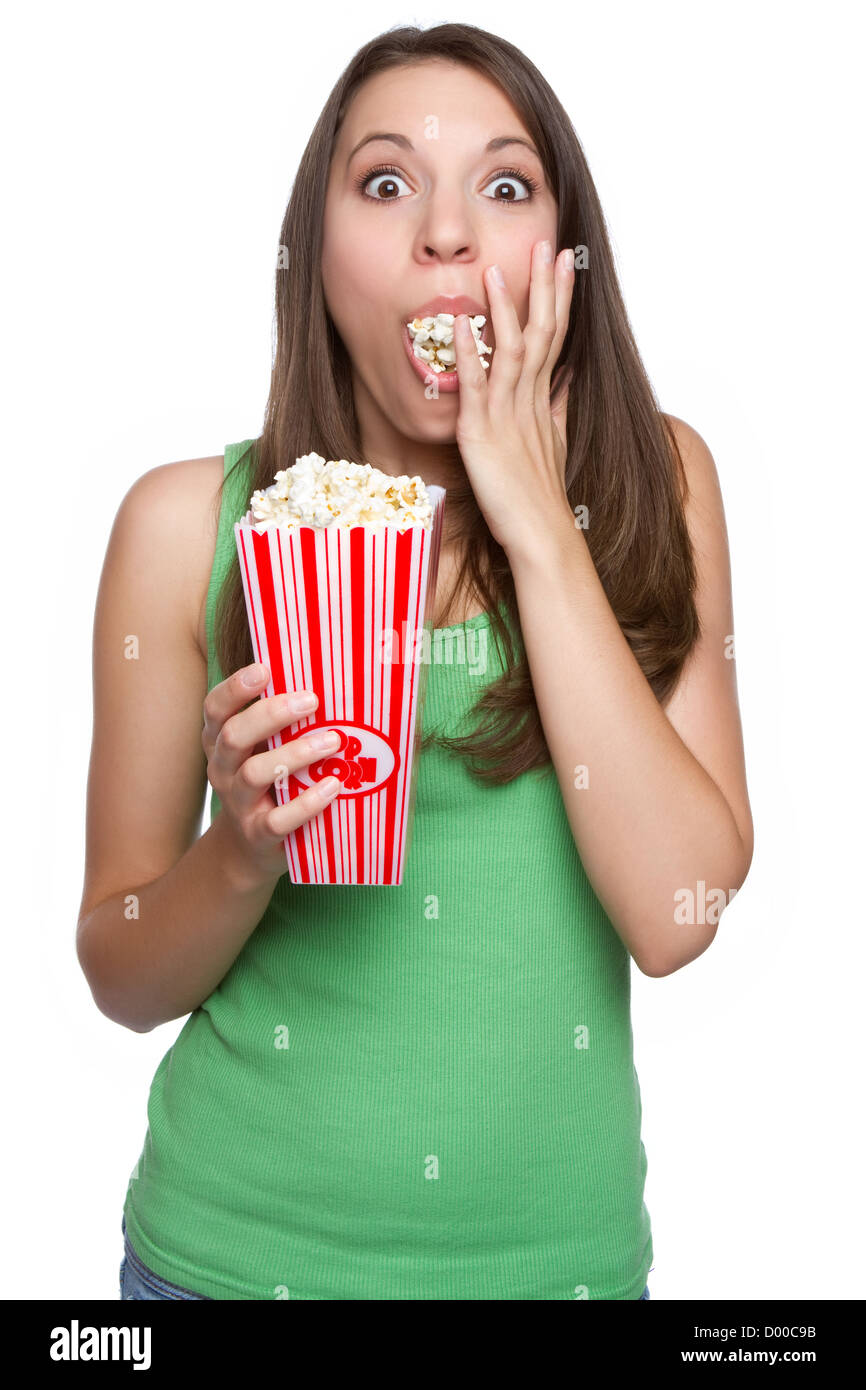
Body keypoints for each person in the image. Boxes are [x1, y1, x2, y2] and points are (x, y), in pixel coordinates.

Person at [77, 22, 753, 1301]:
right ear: (315, 252)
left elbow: (677, 920)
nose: (445, 235)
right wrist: (242, 847)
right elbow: (117, 974)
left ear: (559, 255)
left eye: (502, 187)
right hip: (221, 1272)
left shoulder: (657, 485)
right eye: (385, 184)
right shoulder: (184, 529)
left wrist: (537, 520)